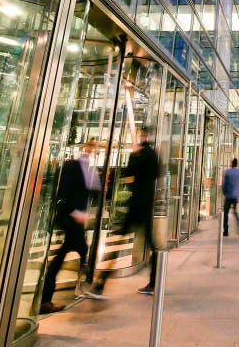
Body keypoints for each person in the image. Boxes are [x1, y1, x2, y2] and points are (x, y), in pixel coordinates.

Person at [40, 138, 100, 314]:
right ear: (82, 148)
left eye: (94, 147)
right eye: (90, 146)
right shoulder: (72, 166)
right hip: (71, 219)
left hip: (76, 220)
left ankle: (85, 285)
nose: (92, 149)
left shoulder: (89, 169)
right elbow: (64, 193)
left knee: (80, 250)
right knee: (70, 254)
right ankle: (85, 286)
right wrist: (75, 212)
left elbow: (91, 191)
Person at [108, 126, 162, 296]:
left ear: (142, 136)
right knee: (151, 244)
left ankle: (100, 283)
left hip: (136, 204)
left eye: (140, 134)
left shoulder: (137, 155)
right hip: (146, 204)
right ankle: (153, 282)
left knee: (121, 240)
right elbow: (156, 175)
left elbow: (128, 175)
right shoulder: (153, 155)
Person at [222, 158, 239, 236]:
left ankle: (226, 230)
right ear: (237, 164)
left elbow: (224, 184)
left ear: (232, 163)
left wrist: (224, 192)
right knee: (235, 212)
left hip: (228, 194)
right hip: (235, 195)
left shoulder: (228, 172)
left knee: (225, 212)